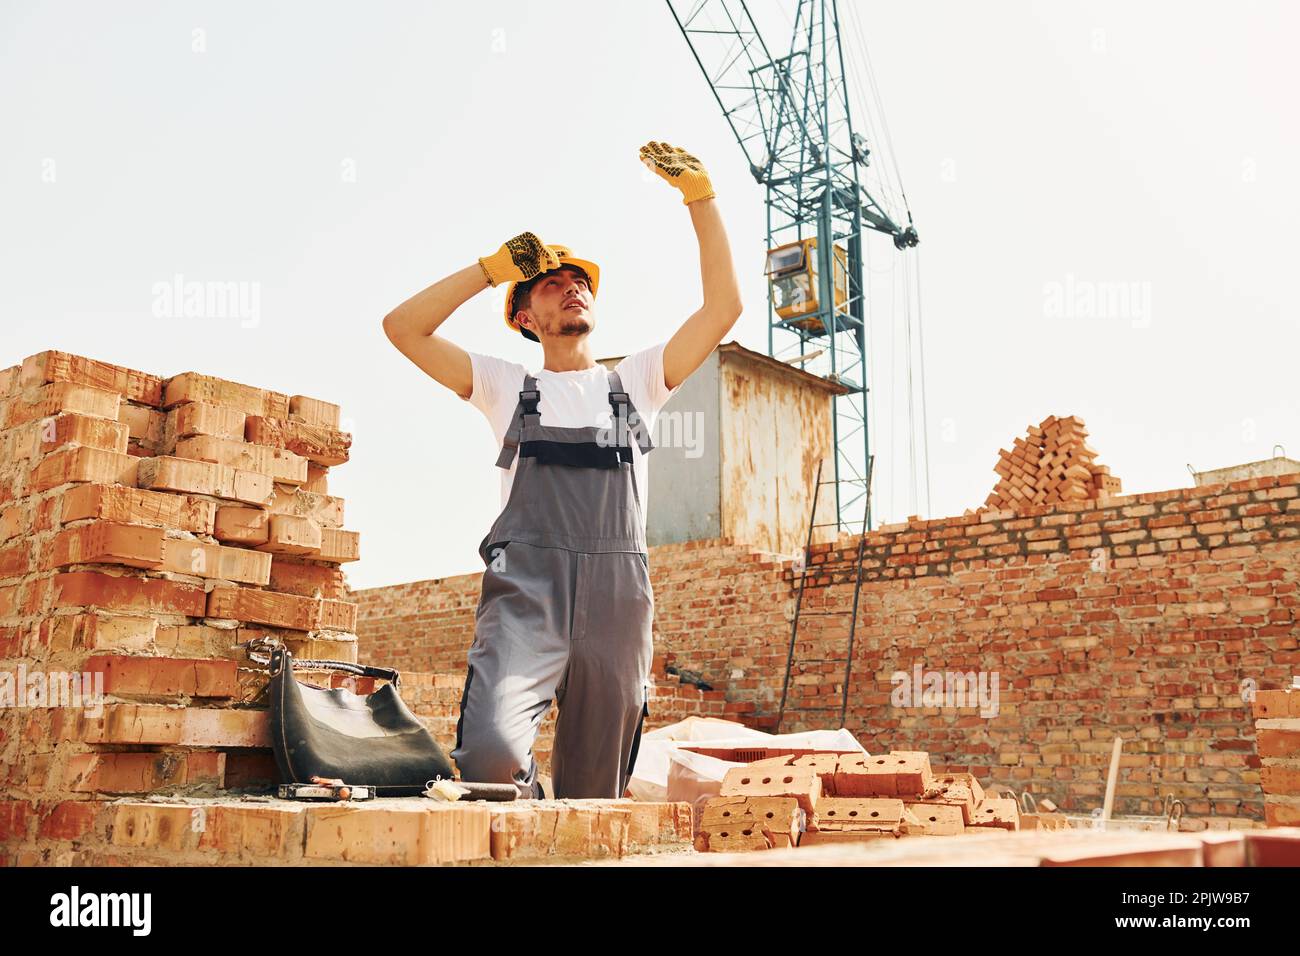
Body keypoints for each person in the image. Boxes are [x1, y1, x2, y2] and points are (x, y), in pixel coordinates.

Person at [382, 141, 742, 798]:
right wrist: (490, 269)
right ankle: (521, 812)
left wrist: (701, 198)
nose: (573, 286)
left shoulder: (635, 383)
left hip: (617, 598)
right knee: (489, 753)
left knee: (596, 788)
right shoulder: (504, 386)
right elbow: (403, 328)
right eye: (553, 282)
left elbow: (723, 311)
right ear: (526, 317)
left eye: (582, 283)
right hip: (528, 595)